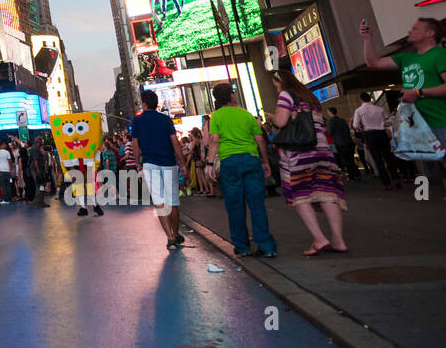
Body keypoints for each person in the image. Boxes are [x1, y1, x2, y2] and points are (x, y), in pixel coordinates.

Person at [361, 17, 446, 241]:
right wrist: (367, 38)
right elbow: (373, 62)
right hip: (423, 128)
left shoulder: (442, 55)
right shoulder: (408, 58)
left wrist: (420, 92)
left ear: (430, 33)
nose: (409, 31)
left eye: (415, 28)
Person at [270, 70, 348, 256]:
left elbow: (281, 122)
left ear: (279, 81)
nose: (275, 87)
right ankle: (338, 240)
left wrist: (271, 117)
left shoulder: (285, 95)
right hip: (322, 152)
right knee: (327, 193)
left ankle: (320, 239)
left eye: (275, 83)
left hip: (300, 153)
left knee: (301, 196)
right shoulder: (311, 97)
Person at [203, 82, 276, 258]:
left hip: (230, 163)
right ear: (232, 96)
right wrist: (265, 161)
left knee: (235, 206)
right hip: (251, 160)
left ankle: (242, 246)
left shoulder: (216, 117)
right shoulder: (246, 115)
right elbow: (259, 140)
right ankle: (266, 246)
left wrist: (210, 164)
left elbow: (213, 141)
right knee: (257, 204)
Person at [130, 90, 189, 250]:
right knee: (173, 202)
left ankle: (169, 237)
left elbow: (135, 145)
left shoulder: (137, 121)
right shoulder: (165, 119)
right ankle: (176, 233)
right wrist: (183, 164)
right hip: (169, 162)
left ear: (143, 103)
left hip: (150, 163)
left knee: (160, 202)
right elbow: (175, 142)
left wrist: (137, 163)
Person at [350, 91, 402, 189]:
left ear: (360, 100)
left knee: (378, 159)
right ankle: (396, 179)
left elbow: (356, 125)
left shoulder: (359, 111)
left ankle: (387, 184)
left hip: (370, 135)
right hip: (382, 134)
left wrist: (362, 130)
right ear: (370, 99)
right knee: (388, 157)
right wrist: (382, 125)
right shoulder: (380, 109)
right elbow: (388, 122)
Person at [325, 108, 359, 181]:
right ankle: (357, 174)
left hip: (340, 143)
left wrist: (327, 130)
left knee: (345, 160)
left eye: (327, 111)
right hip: (348, 141)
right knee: (351, 159)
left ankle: (351, 176)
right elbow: (347, 130)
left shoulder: (330, 121)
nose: (327, 113)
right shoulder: (342, 120)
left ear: (331, 112)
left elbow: (329, 132)